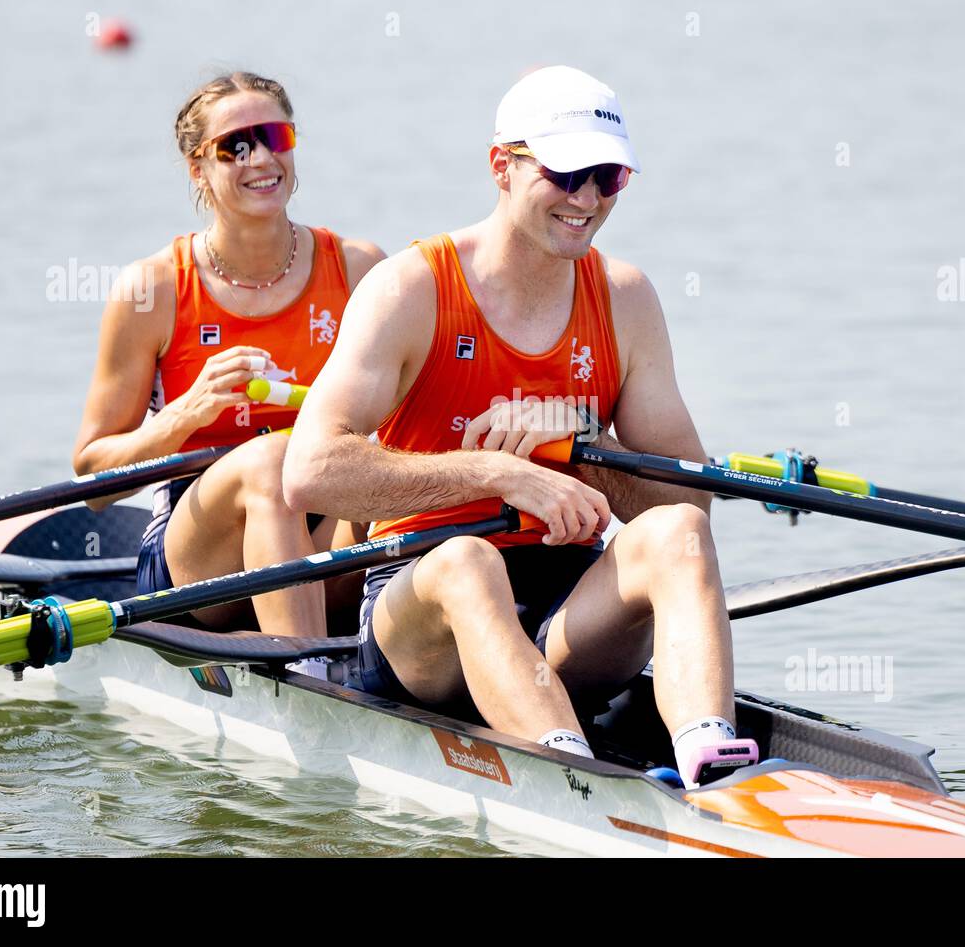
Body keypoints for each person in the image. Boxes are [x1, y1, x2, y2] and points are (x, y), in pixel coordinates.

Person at [283, 66, 756, 787]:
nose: (588, 199)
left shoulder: (625, 299)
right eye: (567, 173)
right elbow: (309, 471)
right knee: (469, 562)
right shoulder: (411, 289)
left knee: (680, 537)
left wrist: (588, 452)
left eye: (608, 177)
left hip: (568, 612)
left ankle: (711, 755)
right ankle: (568, 776)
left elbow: (688, 501)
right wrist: (497, 471)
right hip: (425, 605)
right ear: (502, 166)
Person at [72, 71, 384, 643]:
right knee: (268, 461)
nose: (261, 158)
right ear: (198, 168)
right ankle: (308, 666)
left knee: (391, 459)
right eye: (235, 146)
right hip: (200, 565)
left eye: (275, 137)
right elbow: (94, 482)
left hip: (330, 534)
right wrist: (184, 414)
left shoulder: (361, 269)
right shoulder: (153, 290)